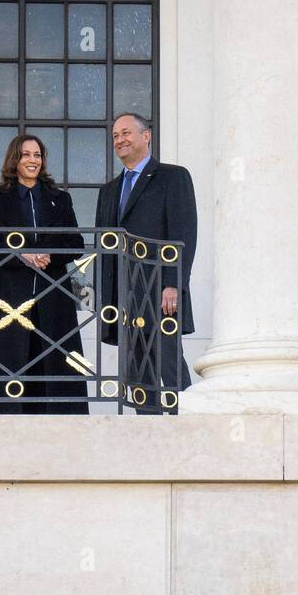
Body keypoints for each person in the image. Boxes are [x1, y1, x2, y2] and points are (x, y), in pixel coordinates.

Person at [0, 134, 88, 414]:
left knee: (54, 367)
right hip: (8, 296)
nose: (32, 160)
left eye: (37, 155)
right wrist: (20, 256)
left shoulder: (60, 199)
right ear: (15, 159)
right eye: (26, 155)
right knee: (8, 366)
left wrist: (49, 254)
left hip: (53, 298)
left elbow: (75, 243)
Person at [98, 112, 197, 414]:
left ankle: (192, 423)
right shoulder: (108, 191)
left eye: (126, 133)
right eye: (115, 136)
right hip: (125, 297)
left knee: (169, 364)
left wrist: (173, 284)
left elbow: (183, 233)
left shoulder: (173, 176)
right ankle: (148, 433)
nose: (120, 140)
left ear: (146, 136)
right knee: (137, 372)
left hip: (159, 291)